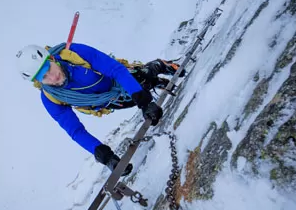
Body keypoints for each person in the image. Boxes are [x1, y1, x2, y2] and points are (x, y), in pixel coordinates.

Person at [16, 42, 181, 174]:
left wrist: (145, 103)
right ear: (38, 82)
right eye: (44, 77)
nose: (53, 77)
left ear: (52, 58)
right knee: (134, 97)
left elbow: (116, 70)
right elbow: (75, 131)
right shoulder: (50, 99)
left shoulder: (75, 53)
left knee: (143, 79)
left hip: (118, 80)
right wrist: (105, 156)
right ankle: (154, 83)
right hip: (109, 101)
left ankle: (157, 67)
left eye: (49, 68)